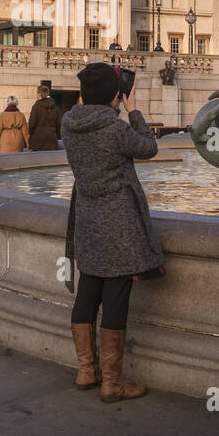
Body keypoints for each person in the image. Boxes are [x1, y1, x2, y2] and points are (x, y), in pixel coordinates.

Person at [62, 62, 164, 403]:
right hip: (119, 222)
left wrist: (116, 104)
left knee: (88, 291)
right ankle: (113, 384)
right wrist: (133, 110)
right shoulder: (115, 128)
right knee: (117, 296)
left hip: (88, 218)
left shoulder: (69, 123)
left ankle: (86, 371)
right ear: (114, 95)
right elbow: (149, 147)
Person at [27, 85, 62, 151]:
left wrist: (30, 134)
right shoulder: (55, 107)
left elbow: (32, 123)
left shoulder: (36, 107)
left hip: (38, 140)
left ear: (39, 94)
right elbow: (59, 124)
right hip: (52, 139)